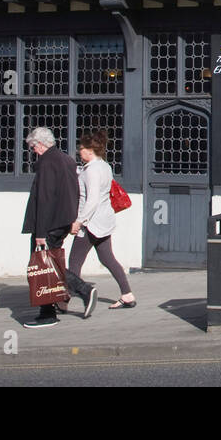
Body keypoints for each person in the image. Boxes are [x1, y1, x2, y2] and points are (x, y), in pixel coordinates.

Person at [21, 127, 93, 327]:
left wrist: (41, 233)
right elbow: (74, 193)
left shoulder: (47, 163)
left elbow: (45, 199)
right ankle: (49, 309)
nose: (33, 151)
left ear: (41, 144)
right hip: (62, 221)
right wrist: (72, 219)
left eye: (33, 147)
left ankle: (56, 308)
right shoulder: (66, 160)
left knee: (43, 267)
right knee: (47, 265)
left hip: (48, 224)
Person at [68, 130, 136, 309]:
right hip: (105, 222)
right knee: (108, 259)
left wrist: (79, 221)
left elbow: (92, 200)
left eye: (81, 148)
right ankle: (127, 294)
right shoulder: (104, 166)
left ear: (90, 150)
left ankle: (67, 300)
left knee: (74, 262)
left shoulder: (92, 171)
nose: (79, 151)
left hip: (91, 224)